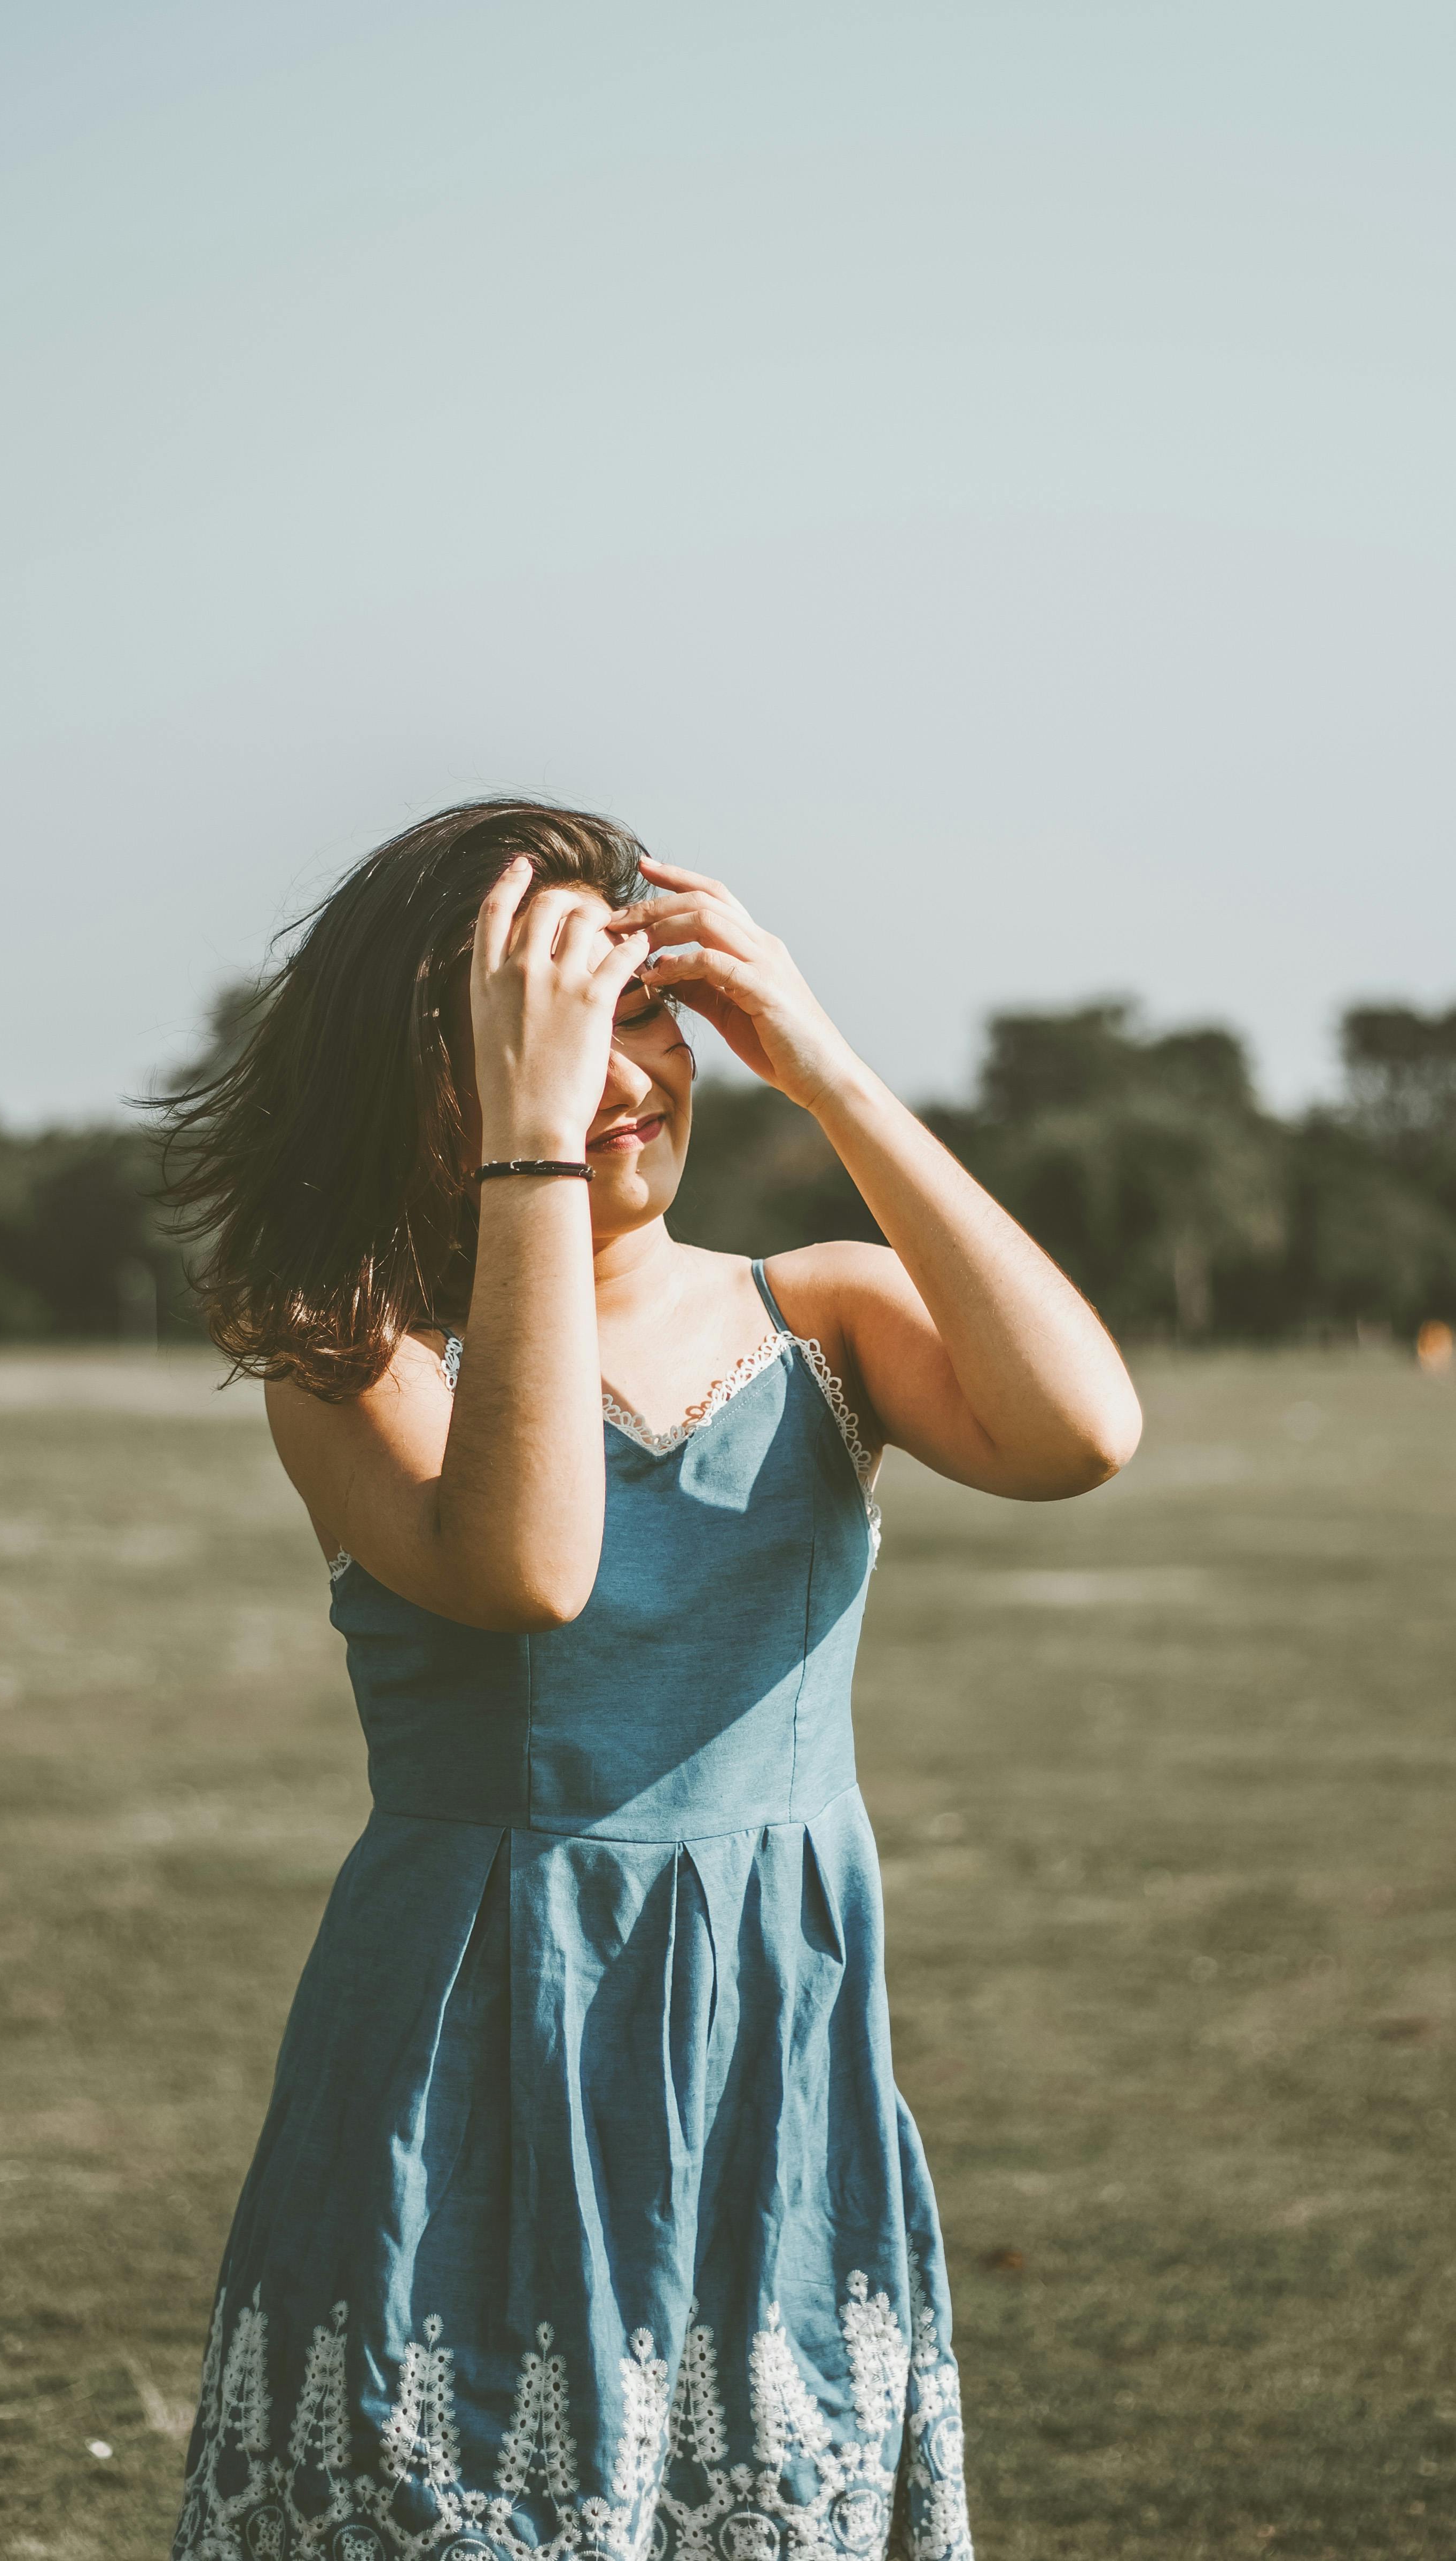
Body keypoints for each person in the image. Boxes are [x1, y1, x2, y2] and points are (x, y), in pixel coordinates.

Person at [162, 799, 1141, 2561]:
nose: (621, 1077)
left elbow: (1084, 1430)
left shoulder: (819, 1314)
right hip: (473, 2043)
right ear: (424, 1076)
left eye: (646, 1013)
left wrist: (826, 1063)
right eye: (551, 1031)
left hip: (771, 2044)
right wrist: (529, 1153)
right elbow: (531, 1565)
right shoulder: (358, 1353)